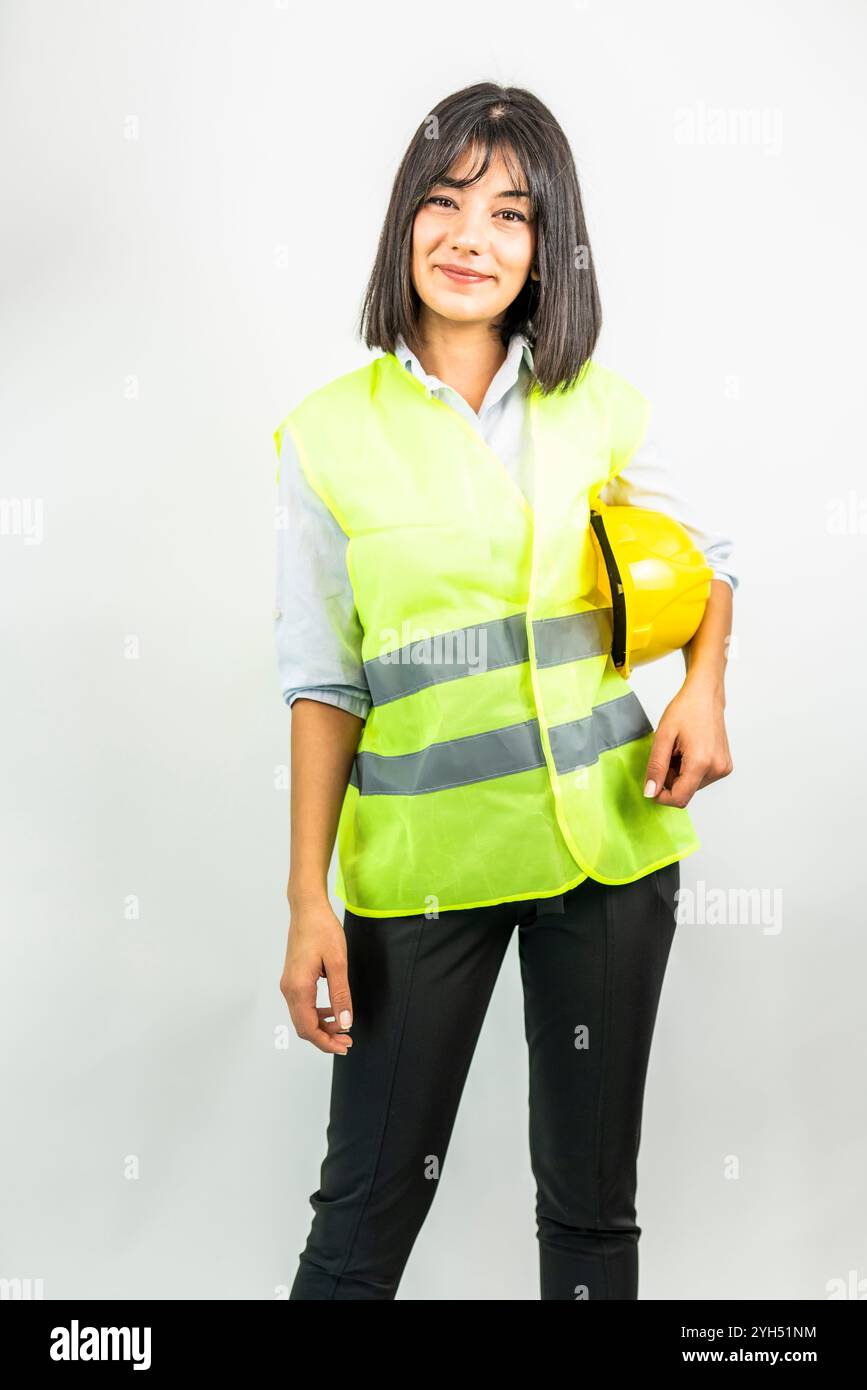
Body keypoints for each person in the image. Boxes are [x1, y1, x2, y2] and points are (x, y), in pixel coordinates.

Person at [272, 82, 736, 1300]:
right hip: (423, 874)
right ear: (403, 225)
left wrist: (704, 690)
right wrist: (306, 898)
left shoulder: (598, 406)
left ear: (547, 248)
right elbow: (322, 678)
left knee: (591, 1216)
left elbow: (707, 562)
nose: (471, 237)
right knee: (362, 1218)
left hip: (608, 855)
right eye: (443, 201)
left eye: (510, 214)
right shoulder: (328, 436)